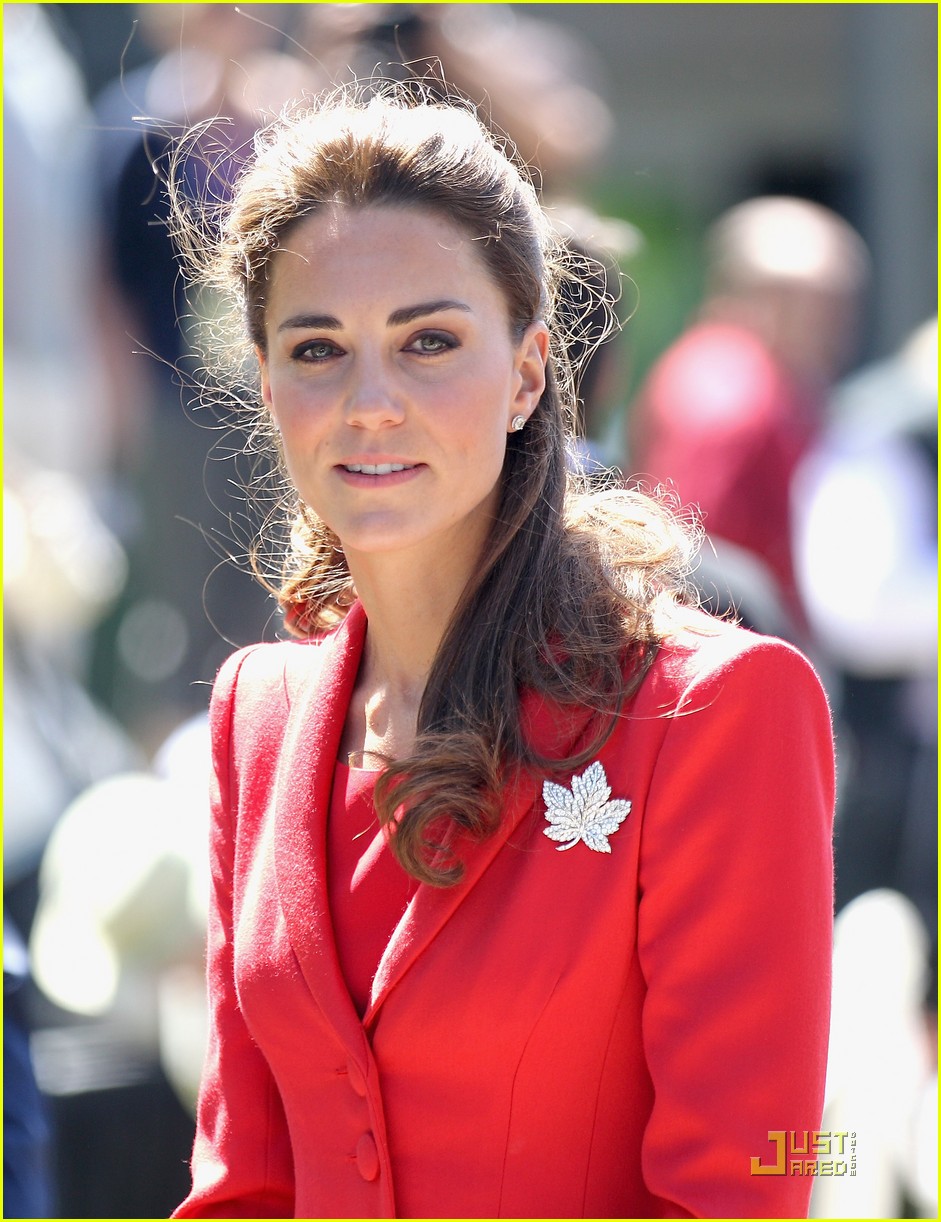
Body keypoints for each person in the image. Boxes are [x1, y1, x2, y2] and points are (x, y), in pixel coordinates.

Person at [170, 88, 835, 1219]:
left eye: (428, 341)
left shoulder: (717, 709)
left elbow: (755, 1180)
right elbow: (245, 1183)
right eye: (316, 348)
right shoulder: (259, 709)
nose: (368, 402)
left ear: (528, 372)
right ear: (267, 382)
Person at [626, 195, 869, 632]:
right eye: (820, 303)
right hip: (728, 645)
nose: (836, 326)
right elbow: (687, 555)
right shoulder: (729, 394)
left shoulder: (741, 378)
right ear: (766, 300)